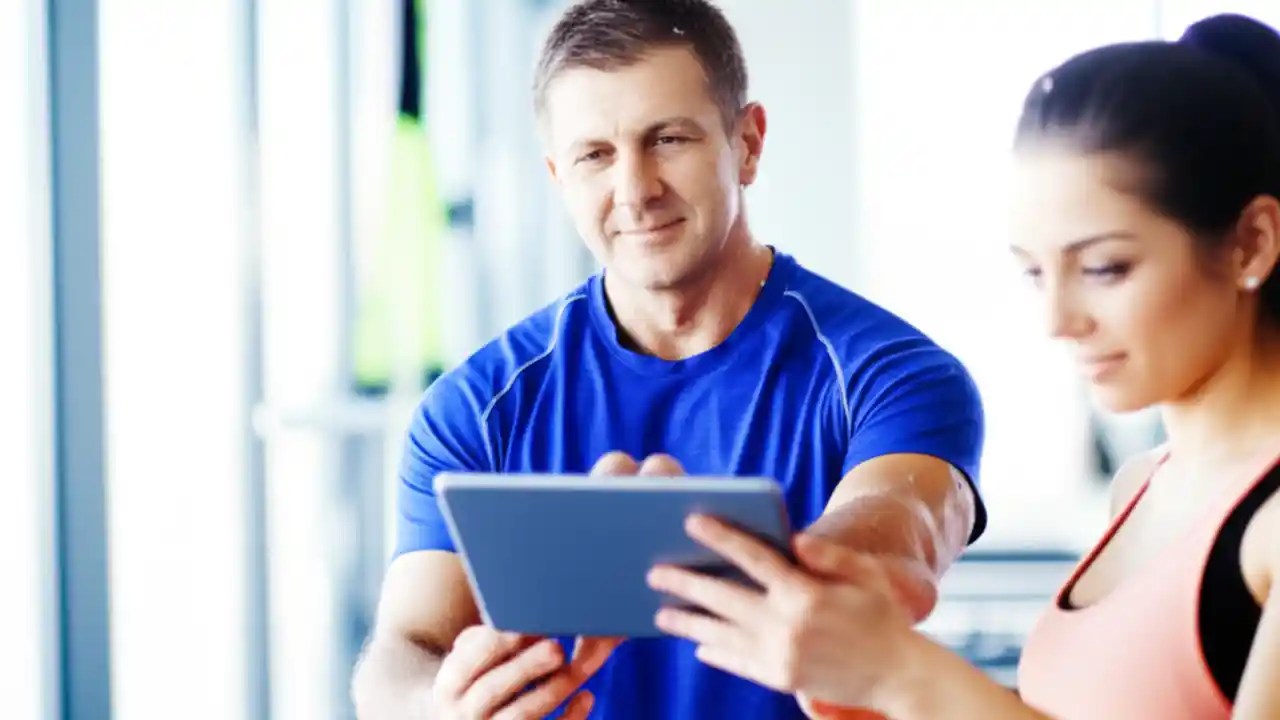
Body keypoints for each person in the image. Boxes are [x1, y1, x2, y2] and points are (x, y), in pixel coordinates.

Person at [349, 0, 986, 718]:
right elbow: (402, 652)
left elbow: (897, 536)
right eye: (596, 155)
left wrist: (679, 545)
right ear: (559, 175)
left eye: (669, 139)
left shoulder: (894, 375)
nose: (635, 189)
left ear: (747, 143)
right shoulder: (475, 407)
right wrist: (440, 702)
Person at [650, 12, 1280, 720]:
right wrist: (876, 692)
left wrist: (903, 675)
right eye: (1037, 274)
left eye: (1104, 268)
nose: (1057, 322)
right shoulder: (1142, 487)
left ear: (1252, 243)